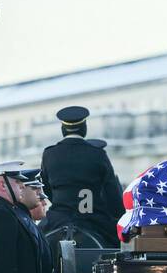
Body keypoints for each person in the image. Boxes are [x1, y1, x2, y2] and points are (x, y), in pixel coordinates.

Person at [39, 106, 123, 247]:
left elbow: (46, 188)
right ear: (84, 128)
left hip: (57, 217)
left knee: (34, 240)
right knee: (115, 247)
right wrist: (117, 215)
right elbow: (111, 192)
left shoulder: (49, 154)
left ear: (63, 129)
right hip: (92, 218)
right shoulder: (98, 154)